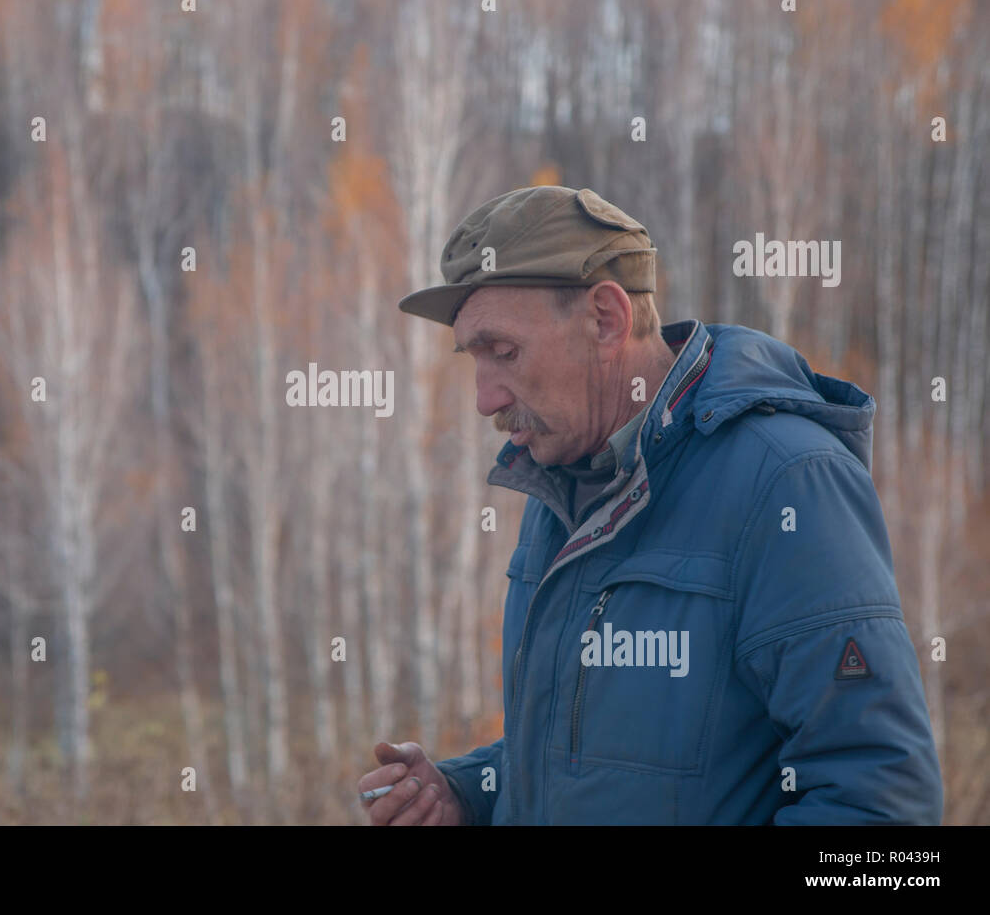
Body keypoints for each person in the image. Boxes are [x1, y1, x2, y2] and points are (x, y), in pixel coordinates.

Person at [359, 185, 942, 825]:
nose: (485, 399)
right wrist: (467, 794)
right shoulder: (563, 485)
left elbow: (883, 810)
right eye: (473, 358)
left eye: (504, 352)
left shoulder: (786, 482)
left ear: (606, 318)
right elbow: (591, 753)